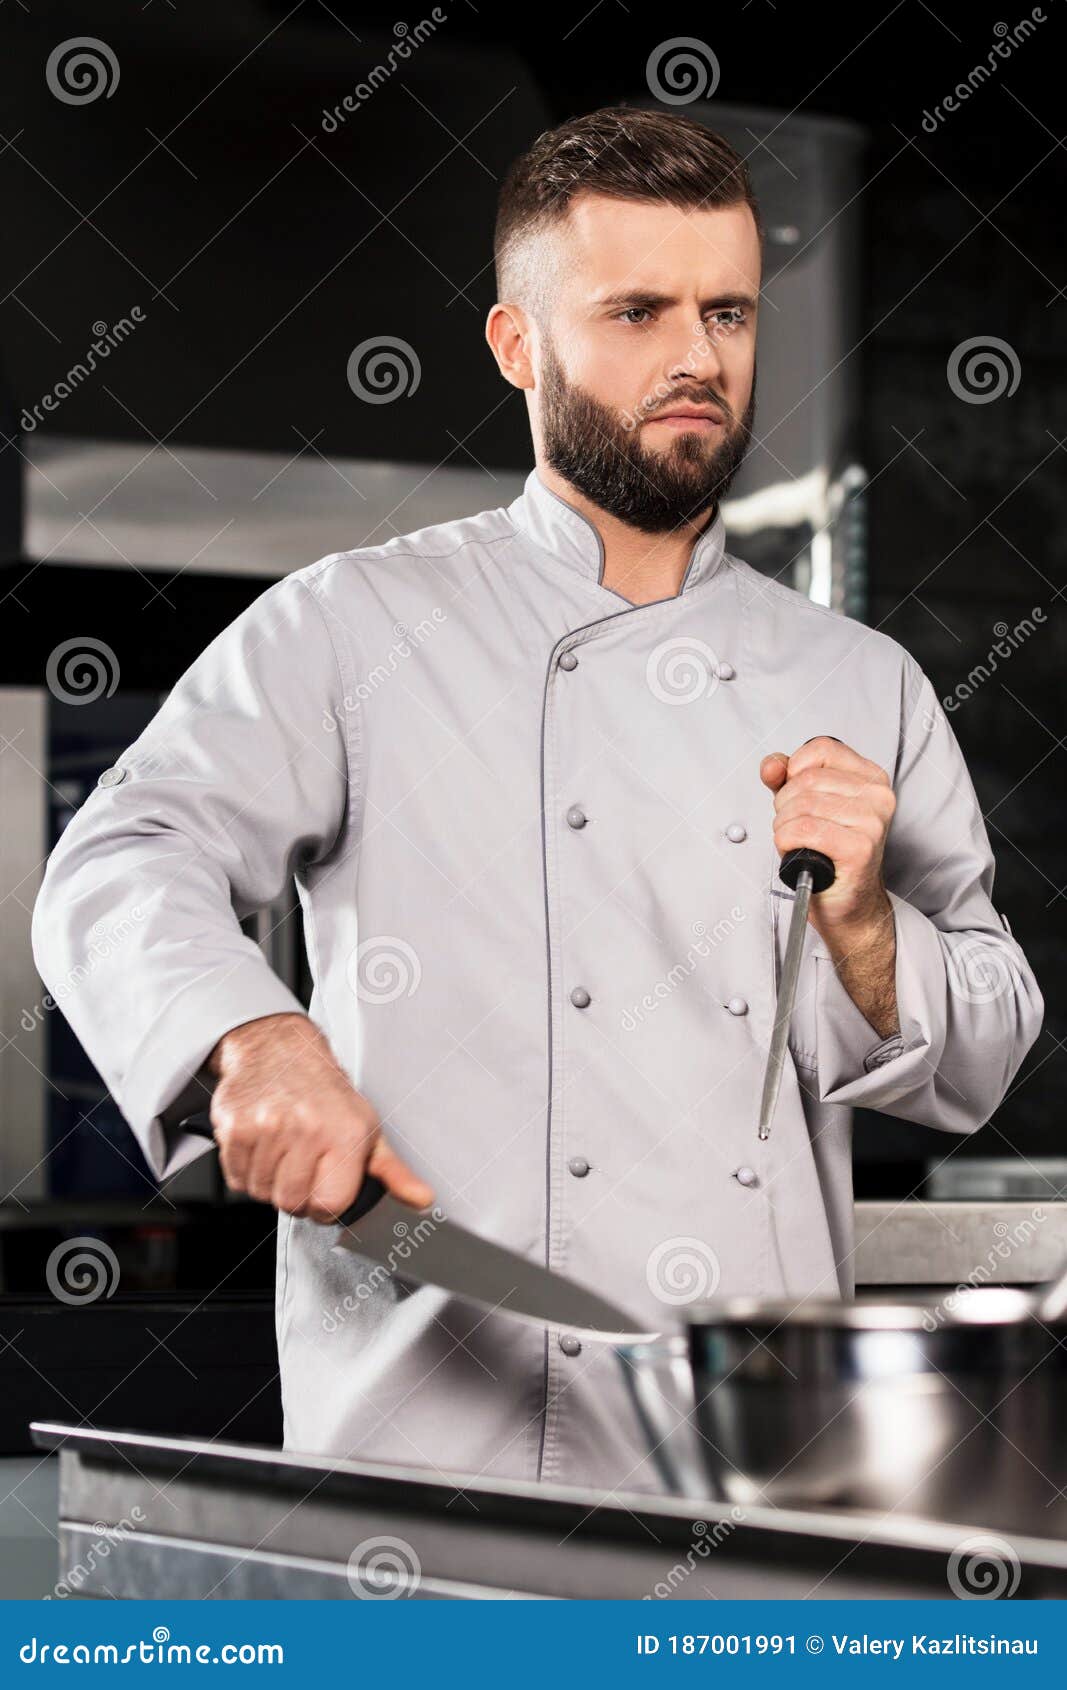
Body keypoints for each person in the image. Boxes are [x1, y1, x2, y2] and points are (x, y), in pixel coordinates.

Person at [31, 107, 1043, 1495]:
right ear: (519, 345)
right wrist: (251, 1043)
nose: (698, 358)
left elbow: (992, 1039)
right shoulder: (353, 624)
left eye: (729, 312)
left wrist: (870, 929)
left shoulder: (857, 680)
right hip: (425, 1459)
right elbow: (121, 856)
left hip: (748, 1477)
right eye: (638, 311)